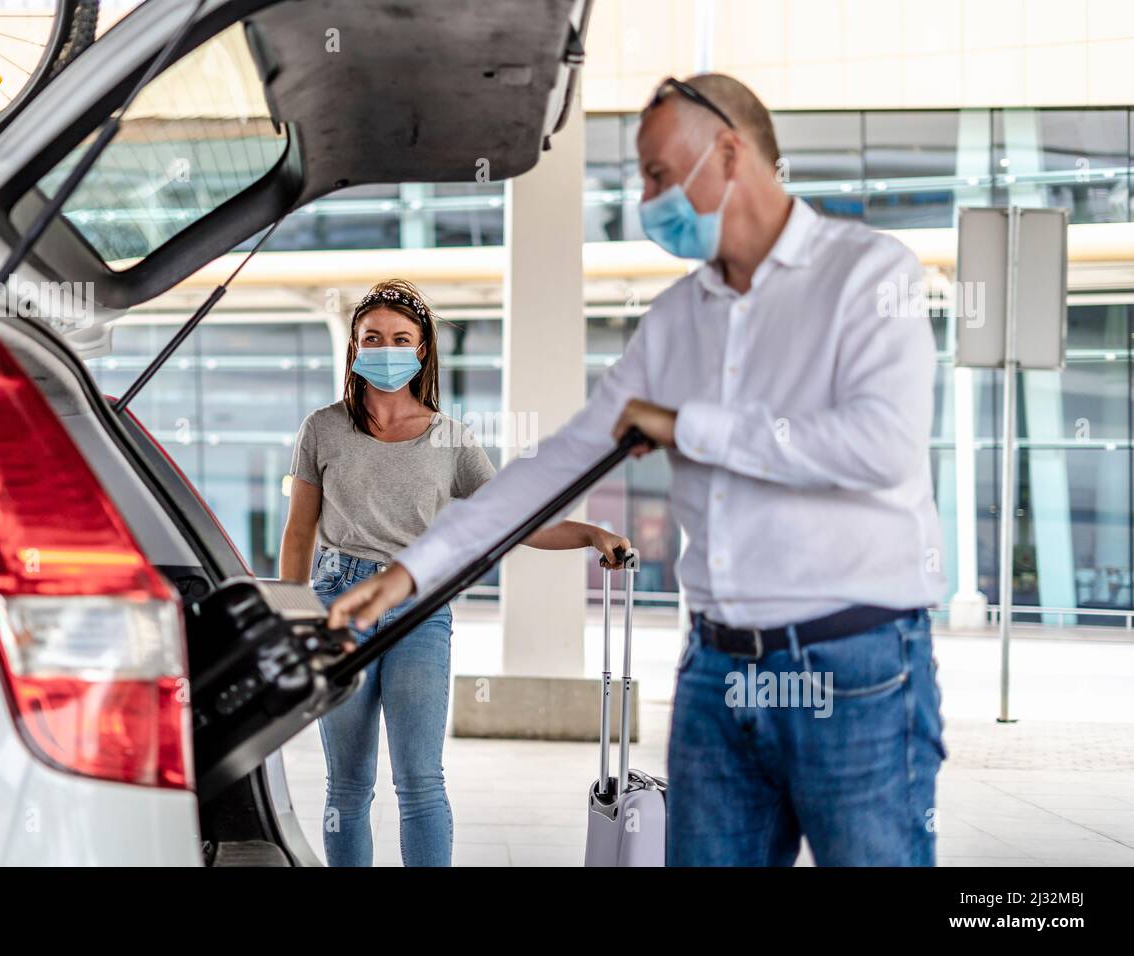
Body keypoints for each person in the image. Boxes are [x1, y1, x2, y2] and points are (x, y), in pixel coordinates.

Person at [326, 76, 949, 866]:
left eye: (658, 174)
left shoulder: (868, 275)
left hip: (855, 667)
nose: (647, 196)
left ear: (730, 151)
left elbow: (881, 446)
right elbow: (557, 462)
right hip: (717, 669)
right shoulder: (677, 320)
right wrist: (415, 571)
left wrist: (691, 427)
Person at [279, 278, 630, 867]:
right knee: (347, 785)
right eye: (371, 337)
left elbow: (512, 520)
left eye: (398, 337)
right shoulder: (323, 428)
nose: (383, 347)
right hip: (338, 604)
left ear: (421, 351)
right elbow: (298, 532)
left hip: (420, 611)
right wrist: (295, 618)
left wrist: (590, 534)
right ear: (354, 348)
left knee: (419, 781)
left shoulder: (452, 439)